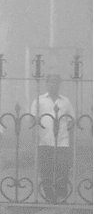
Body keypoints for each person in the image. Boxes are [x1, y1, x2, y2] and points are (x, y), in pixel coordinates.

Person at [31, 74, 75, 203]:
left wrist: (69, 126)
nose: (53, 85)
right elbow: (32, 119)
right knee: (46, 169)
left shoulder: (65, 101)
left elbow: (71, 119)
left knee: (62, 168)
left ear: (59, 84)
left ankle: (62, 196)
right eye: (51, 82)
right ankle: (50, 196)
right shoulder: (39, 101)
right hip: (44, 140)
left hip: (62, 140)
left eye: (56, 82)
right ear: (46, 83)